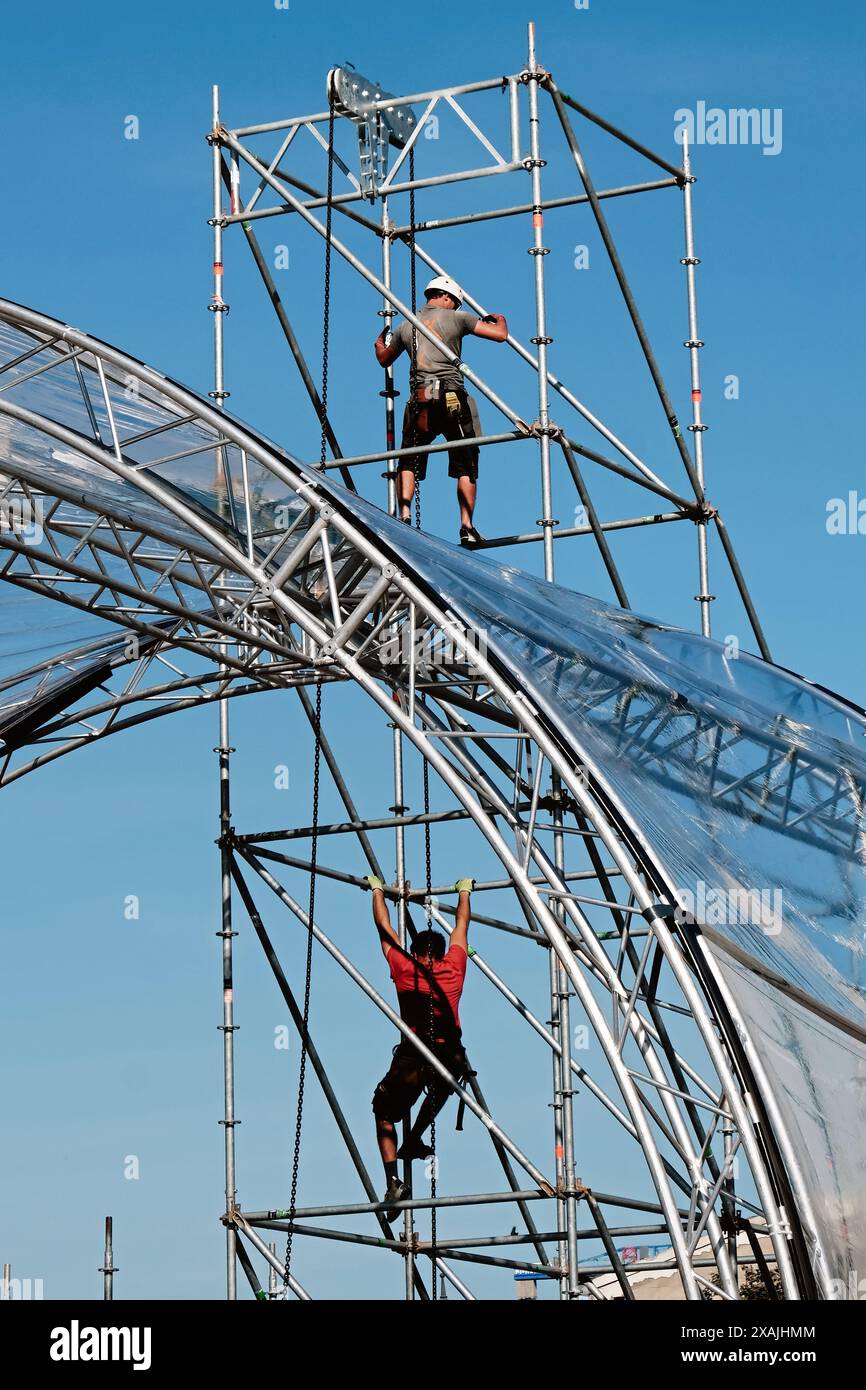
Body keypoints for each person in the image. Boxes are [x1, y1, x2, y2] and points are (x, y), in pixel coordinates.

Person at [367, 873, 474, 1217]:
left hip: (414, 1056)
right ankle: (413, 1137)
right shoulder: (455, 967)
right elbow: (462, 924)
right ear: (444, 952)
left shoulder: (403, 966)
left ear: (414, 950)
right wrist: (464, 892)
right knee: (444, 1085)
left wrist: (378, 891)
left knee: (383, 1111)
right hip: (448, 1055)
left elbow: (383, 927)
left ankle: (393, 1179)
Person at [374, 275, 507, 547]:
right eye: (455, 302)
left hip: (420, 399)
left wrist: (379, 345)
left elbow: (384, 358)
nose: (455, 306)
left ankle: (404, 515)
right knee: (466, 461)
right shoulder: (459, 319)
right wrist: (500, 319)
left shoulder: (405, 325)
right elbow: (500, 336)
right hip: (451, 397)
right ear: (447, 297)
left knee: (409, 457)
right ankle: (467, 526)